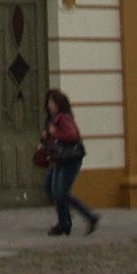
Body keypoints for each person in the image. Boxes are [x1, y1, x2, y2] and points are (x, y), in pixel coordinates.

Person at [42, 88, 99, 236]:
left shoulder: (63, 118)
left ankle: (88, 216)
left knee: (61, 193)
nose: (49, 105)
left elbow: (72, 135)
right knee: (53, 190)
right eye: (48, 102)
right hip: (60, 159)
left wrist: (55, 133)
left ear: (58, 104)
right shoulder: (52, 118)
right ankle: (64, 222)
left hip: (69, 159)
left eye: (52, 102)